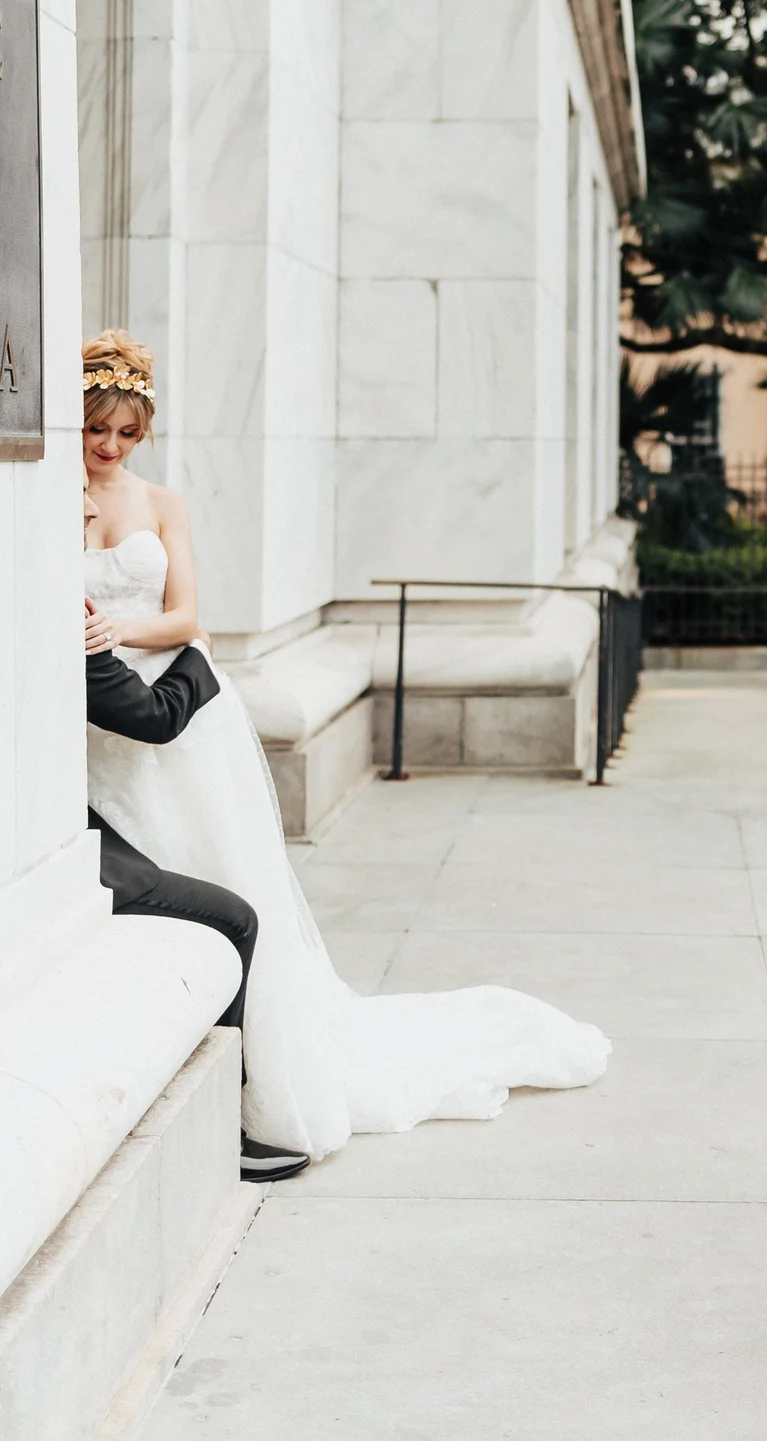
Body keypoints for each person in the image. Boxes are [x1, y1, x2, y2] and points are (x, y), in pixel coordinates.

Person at [82, 329, 611, 1159]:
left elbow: (190, 618)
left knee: (226, 872)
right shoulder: (51, 503)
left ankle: (261, 1071)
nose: (109, 447)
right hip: (104, 730)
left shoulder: (161, 503)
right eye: (95, 429)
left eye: (126, 432)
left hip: (183, 719)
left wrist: (124, 628)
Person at [84, 494, 309, 1182]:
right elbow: (156, 717)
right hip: (84, 816)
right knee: (236, 916)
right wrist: (201, 656)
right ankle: (225, 1125)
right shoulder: (68, 620)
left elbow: (180, 615)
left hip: (100, 789)